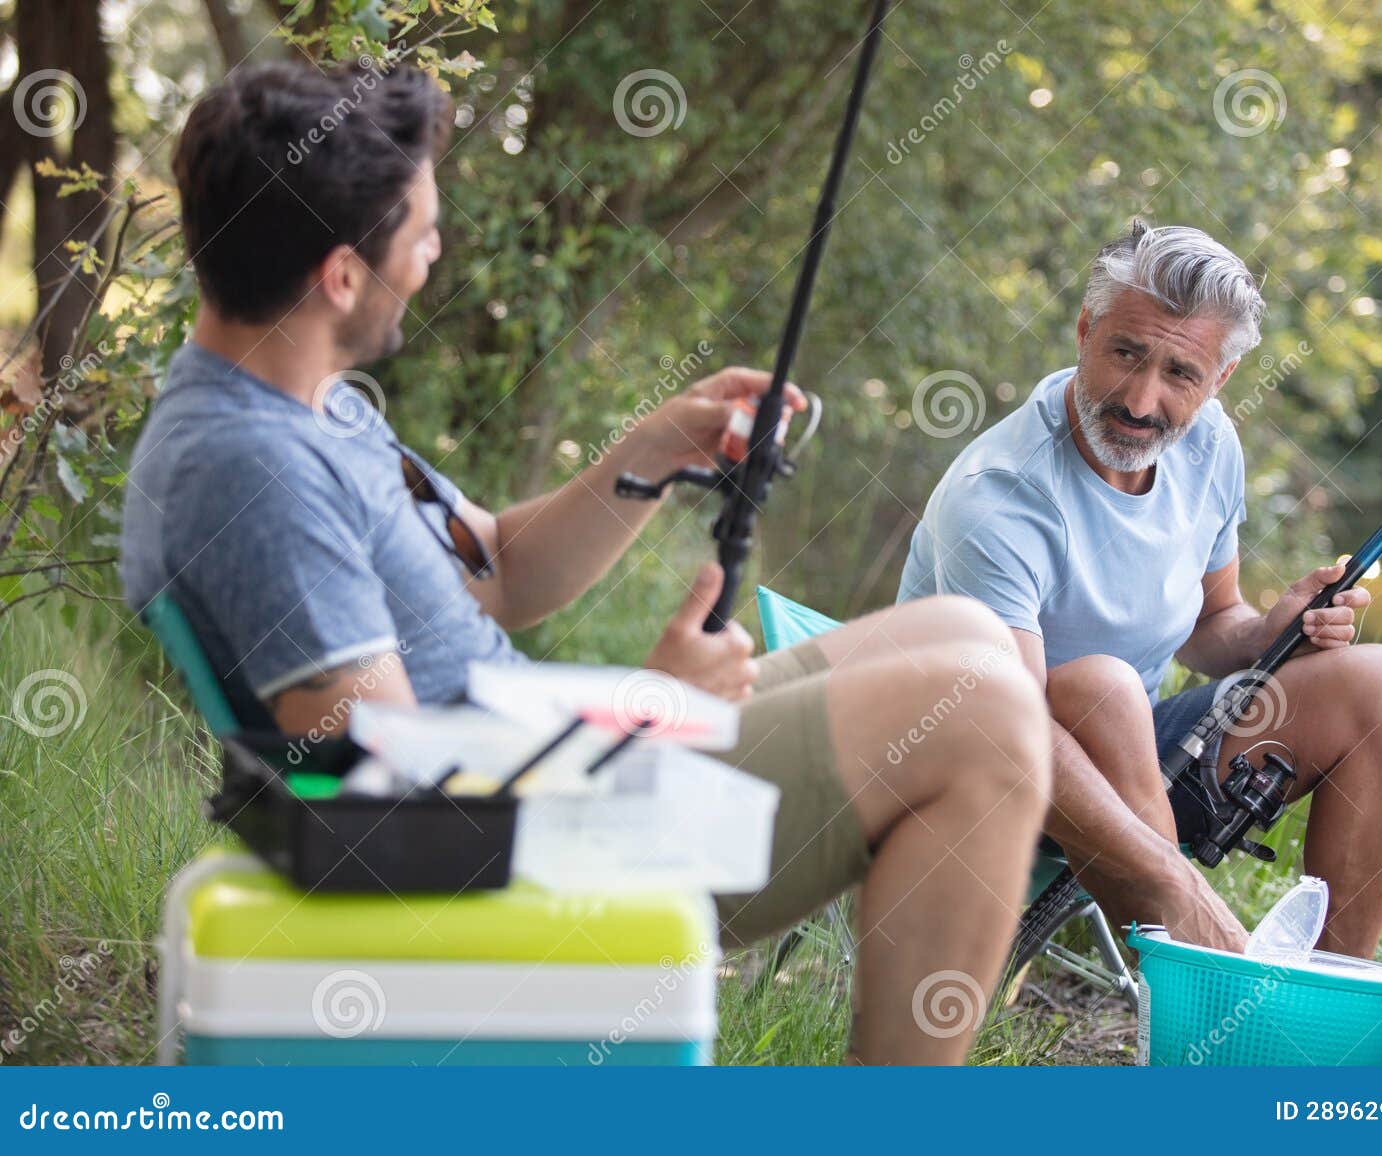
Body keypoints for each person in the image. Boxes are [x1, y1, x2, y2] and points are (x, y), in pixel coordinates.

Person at [120, 60, 1054, 1065]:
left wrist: (651, 447)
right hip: (527, 835)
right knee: (983, 718)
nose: (436, 252)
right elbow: (382, 794)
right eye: (422, 232)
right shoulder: (255, 468)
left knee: (967, 636)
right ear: (340, 275)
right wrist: (642, 712)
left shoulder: (305, 398)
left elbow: (499, 574)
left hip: (537, 766)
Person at [899, 221, 1382, 958]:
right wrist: (1184, 889)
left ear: (1218, 380)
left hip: (1134, 763)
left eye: (1180, 373)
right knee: (1102, 690)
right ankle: (1227, 979)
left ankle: (1328, 999)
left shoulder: (1210, 445)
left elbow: (1215, 626)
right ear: (1085, 332)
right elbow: (1009, 728)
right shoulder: (997, 498)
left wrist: (1272, 631)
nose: (1143, 402)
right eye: (1126, 354)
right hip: (977, 775)